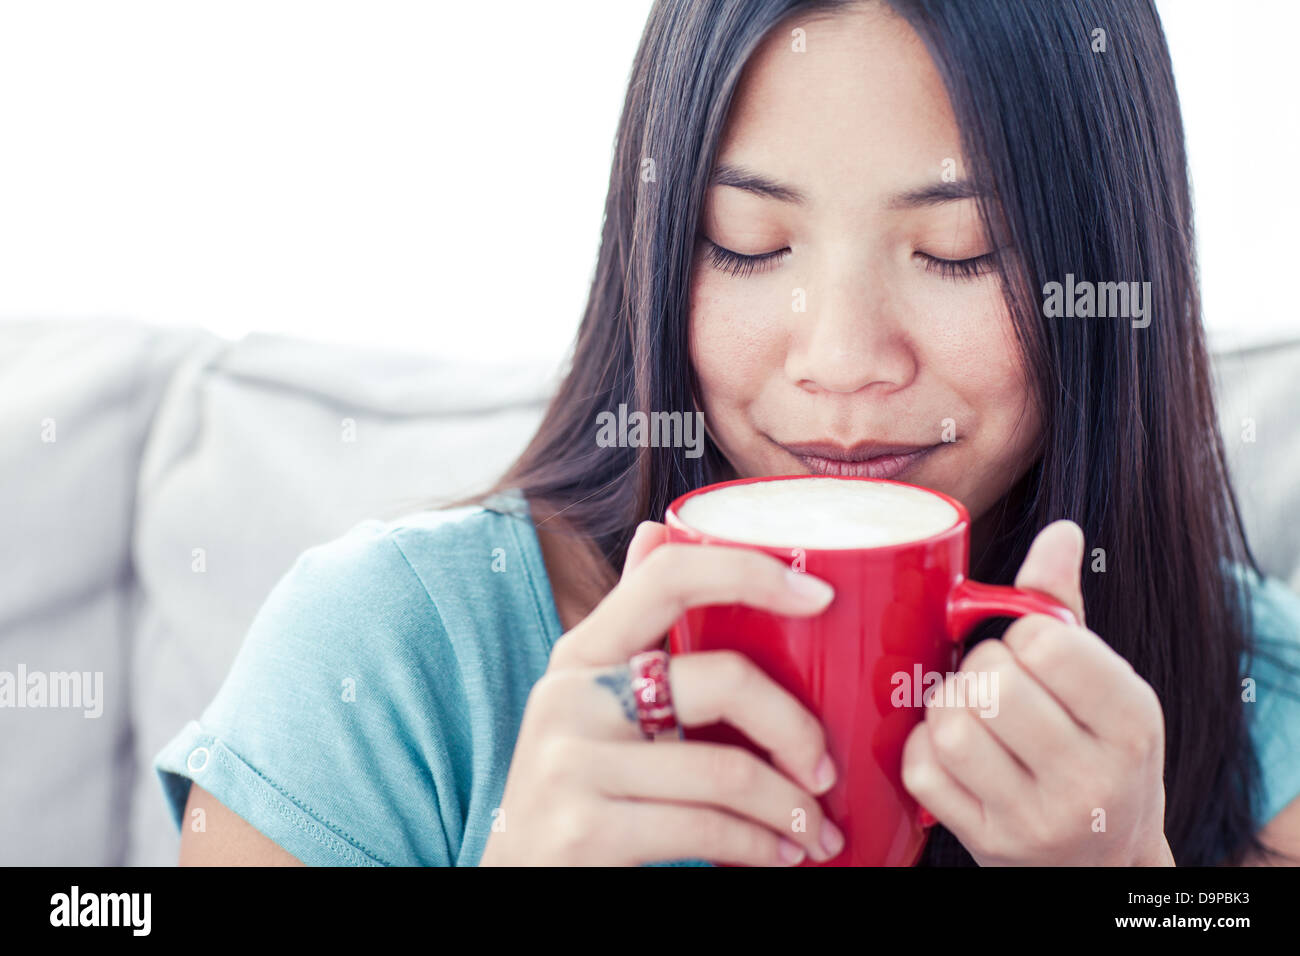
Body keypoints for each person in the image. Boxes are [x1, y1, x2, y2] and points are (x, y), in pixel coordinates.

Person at [154, 0, 1300, 866]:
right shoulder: (385, 654)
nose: (840, 356)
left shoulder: (1254, 689)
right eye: (746, 241)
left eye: (959, 250)